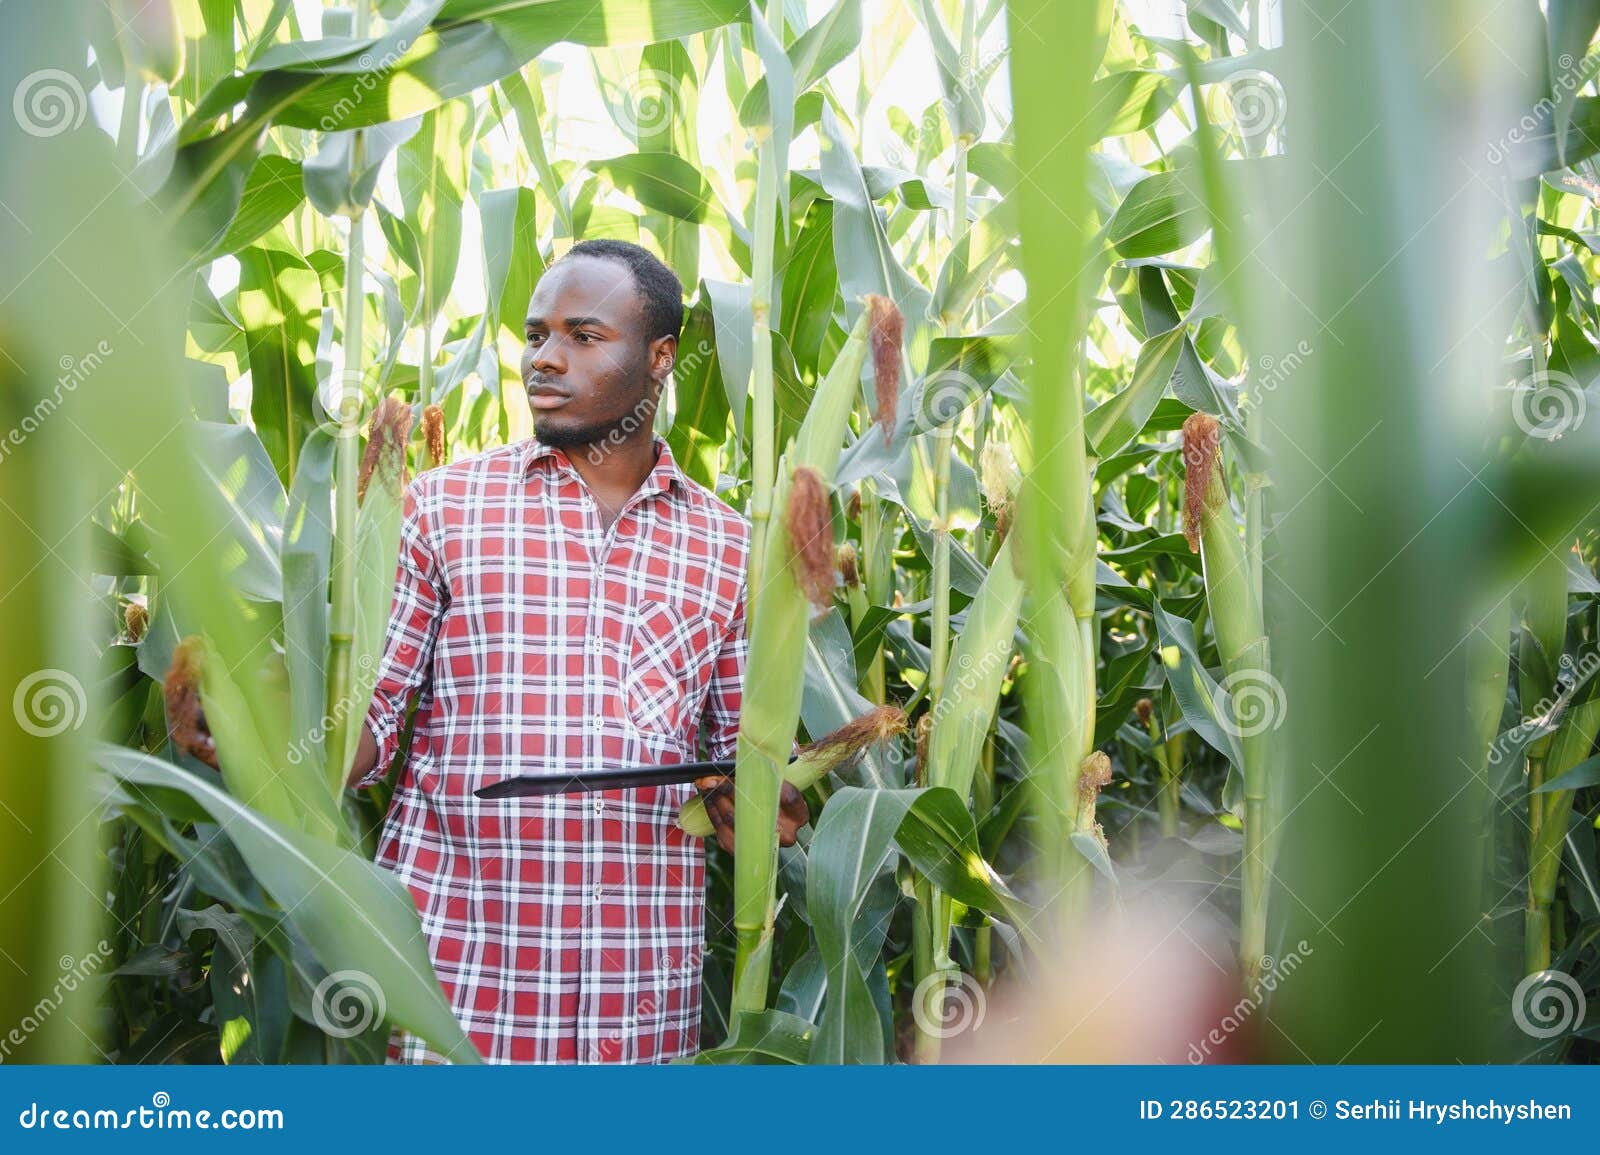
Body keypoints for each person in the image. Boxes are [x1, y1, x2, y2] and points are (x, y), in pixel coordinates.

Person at [345, 239, 806, 1062]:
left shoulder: (734, 551)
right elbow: (368, 719)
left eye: (582, 337)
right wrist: (267, 728)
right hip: (450, 993)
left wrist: (763, 810)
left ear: (660, 357)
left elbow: (745, 762)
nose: (544, 360)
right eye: (534, 335)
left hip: (635, 1014)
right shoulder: (442, 508)